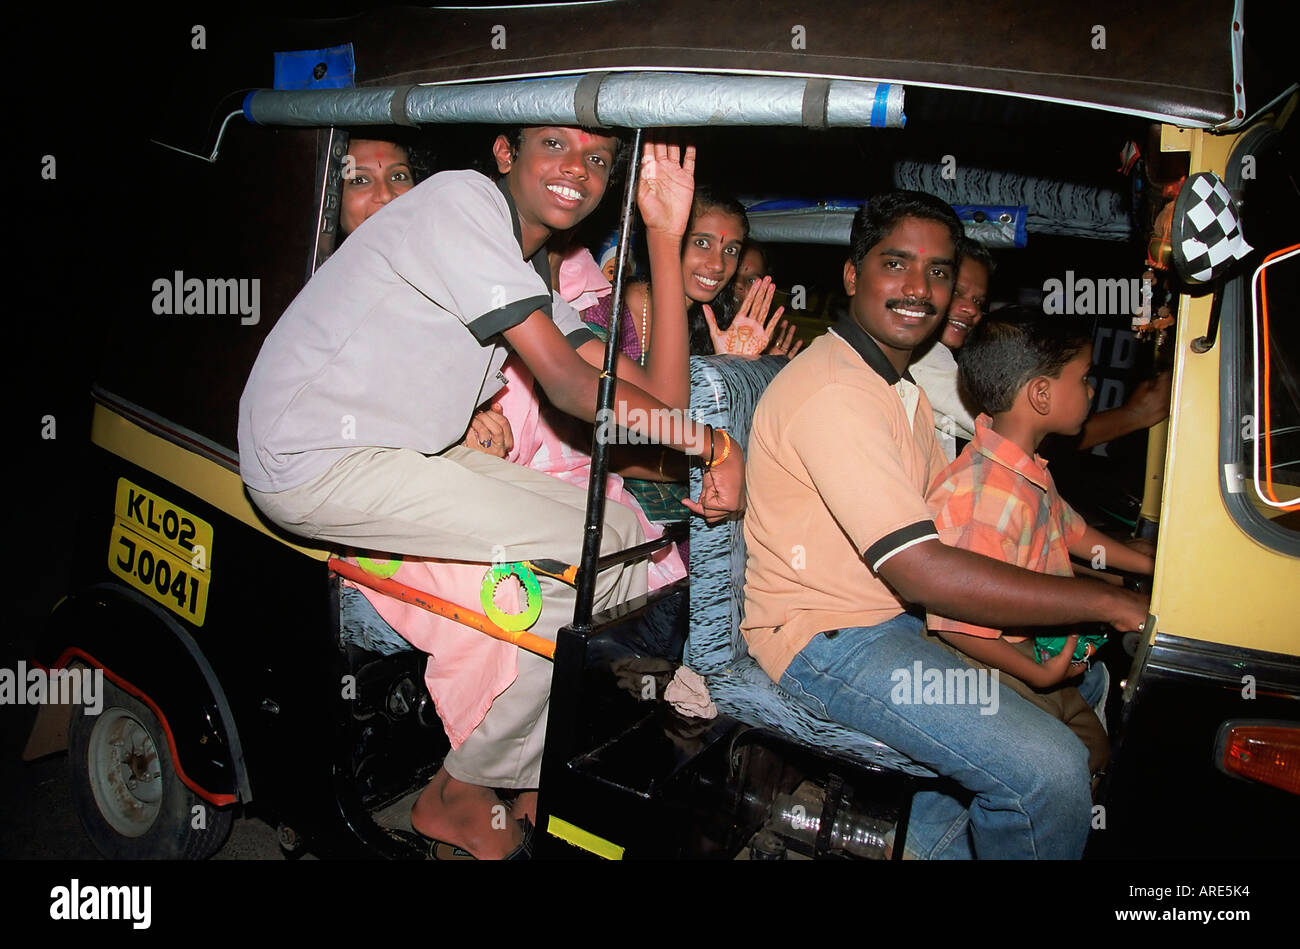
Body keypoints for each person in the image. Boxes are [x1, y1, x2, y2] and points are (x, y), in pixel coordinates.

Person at [239, 127, 744, 858]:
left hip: (405, 450)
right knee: (588, 556)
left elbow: (655, 395)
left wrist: (664, 239)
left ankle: (532, 763)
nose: (578, 168)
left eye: (599, 159)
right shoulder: (460, 203)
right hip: (312, 458)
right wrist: (713, 445)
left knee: (625, 544)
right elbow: (576, 391)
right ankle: (463, 789)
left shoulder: (530, 266)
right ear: (506, 155)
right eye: (555, 145)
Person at [740, 190, 1148, 859]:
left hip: (887, 620)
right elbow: (924, 569)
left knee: (1082, 683)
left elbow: (960, 534)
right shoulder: (838, 391)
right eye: (895, 263)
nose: (918, 288)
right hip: (827, 638)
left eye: (937, 271)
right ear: (852, 275)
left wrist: (1095, 579)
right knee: (1047, 769)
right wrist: (1103, 598)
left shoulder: (900, 392)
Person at [925, 308, 1155, 778]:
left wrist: (1149, 565)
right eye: (1084, 378)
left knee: (1097, 752)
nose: (1092, 391)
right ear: (1042, 395)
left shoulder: (1025, 469)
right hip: (999, 670)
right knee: (1066, 770)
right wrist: (1038, 674)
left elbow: (1074, 532)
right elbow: (953, 622)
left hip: (1035, 654)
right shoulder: (985, 495)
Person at [911, 238, 1173, 462]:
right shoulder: (922, 358)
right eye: (958, 293)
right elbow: (1019, 432)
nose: (972, 310)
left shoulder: (947, 357)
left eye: (979, 301)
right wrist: (1134, 415)